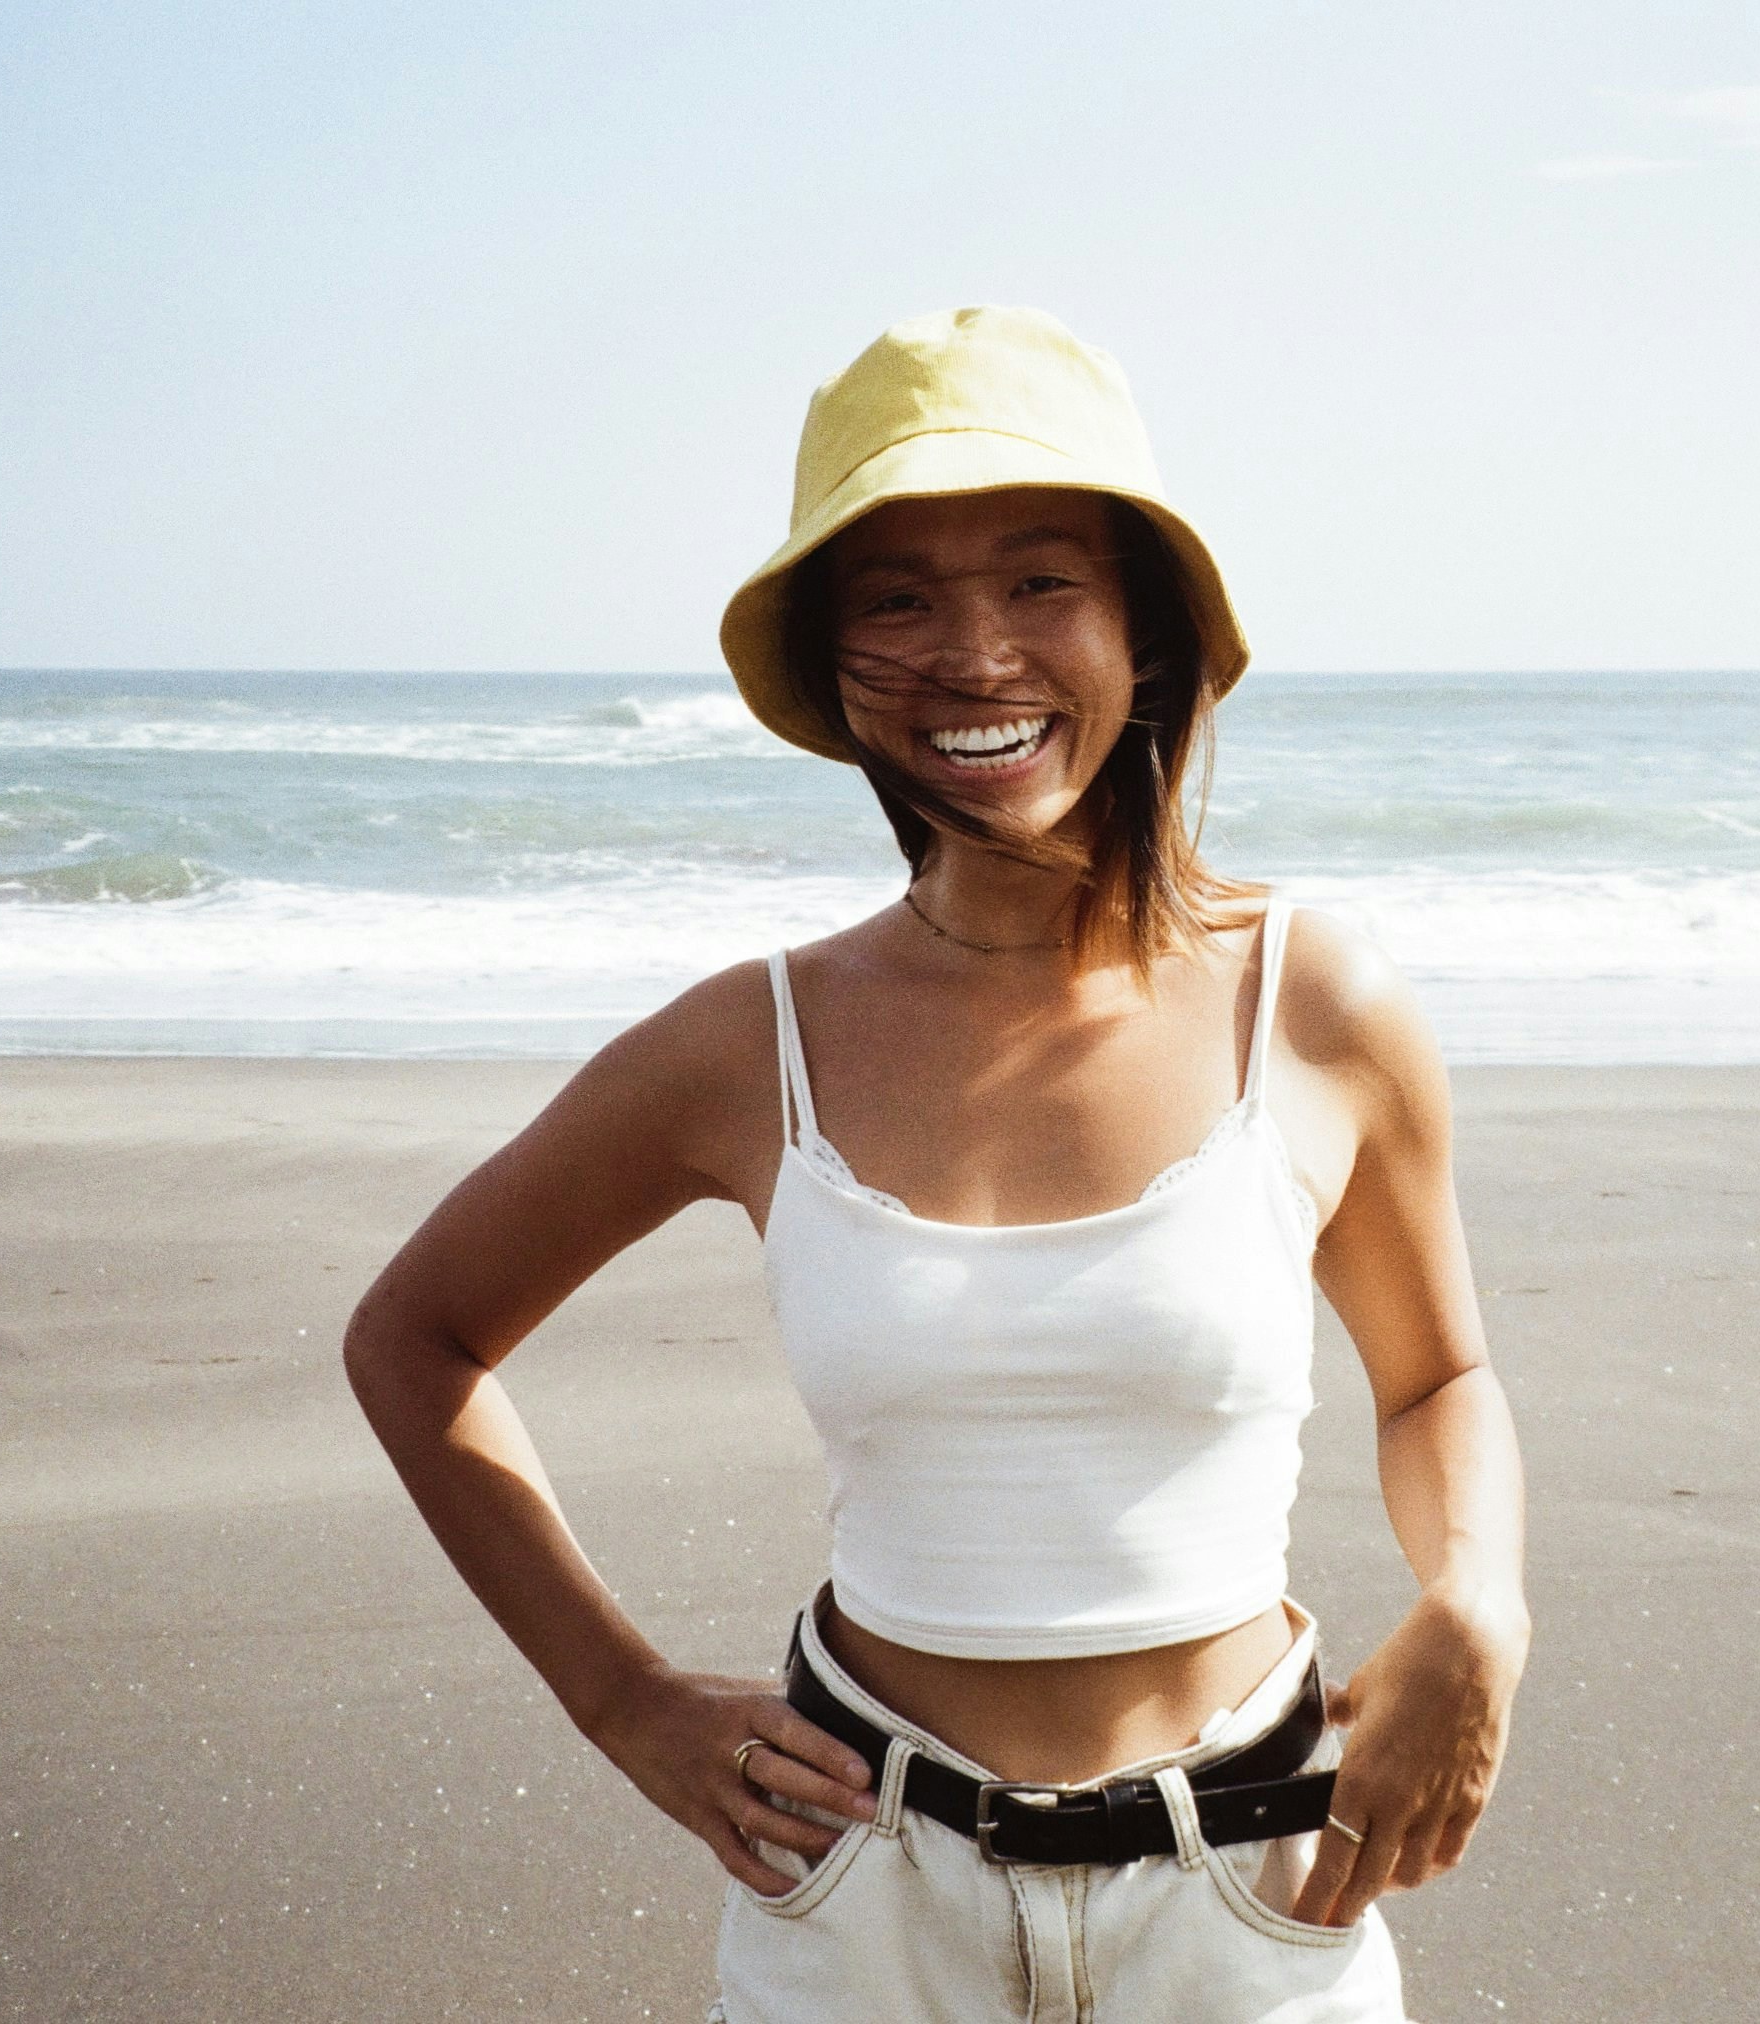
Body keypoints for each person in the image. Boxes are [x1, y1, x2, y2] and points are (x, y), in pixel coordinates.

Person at [344, 305, 1529, 2021]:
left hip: (1250, 1896)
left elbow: (1436, 1380)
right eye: (896, 600)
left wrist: (1477, 1605)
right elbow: (416, 1337)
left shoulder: (1312, 999)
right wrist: (619, 1700)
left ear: (1143, 630)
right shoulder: (749, 1043)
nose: (975, 654)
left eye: (1040, 580)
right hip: (863, 1902)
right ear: (835, 664)